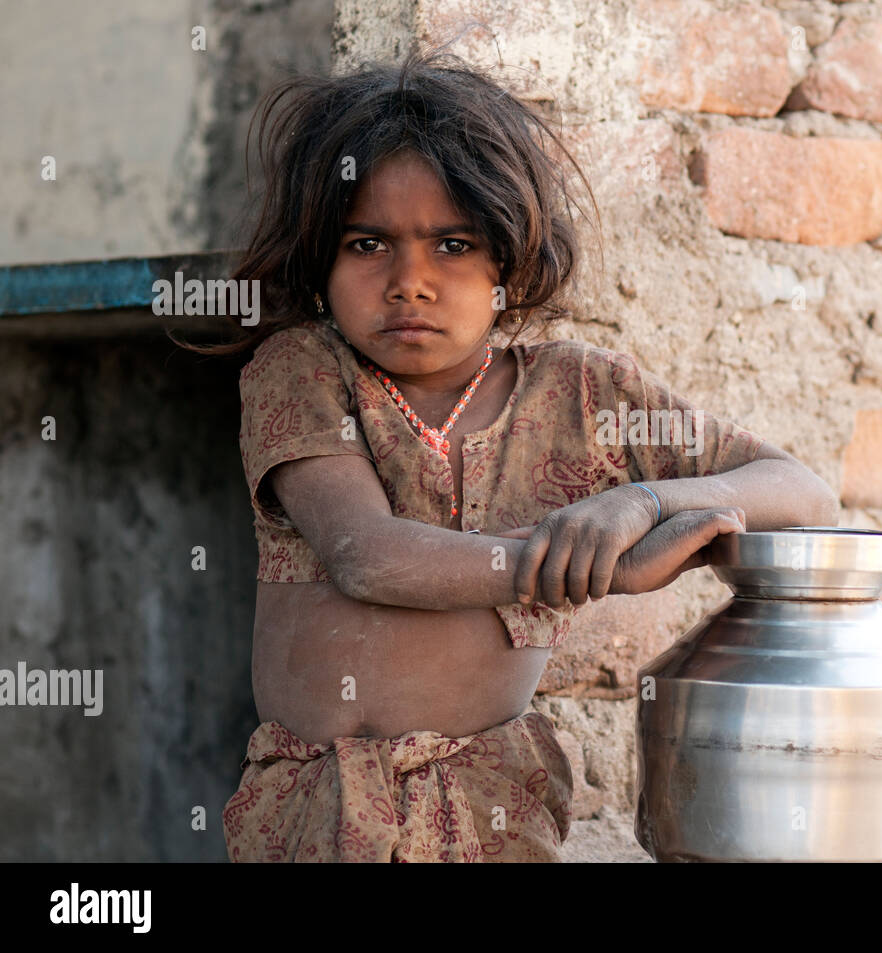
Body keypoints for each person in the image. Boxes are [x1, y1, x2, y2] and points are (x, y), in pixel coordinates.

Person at [179, 45, 839, 862]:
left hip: (492, 805)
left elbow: (803, 492)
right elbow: (366, 555)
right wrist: (592, 570)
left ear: (508, 255)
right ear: (319, 259)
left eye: (452, 245)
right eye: (367, 244)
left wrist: (640, 503)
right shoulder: (302, 370)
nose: (410, 280)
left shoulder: (582, 396)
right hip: (321, 811)